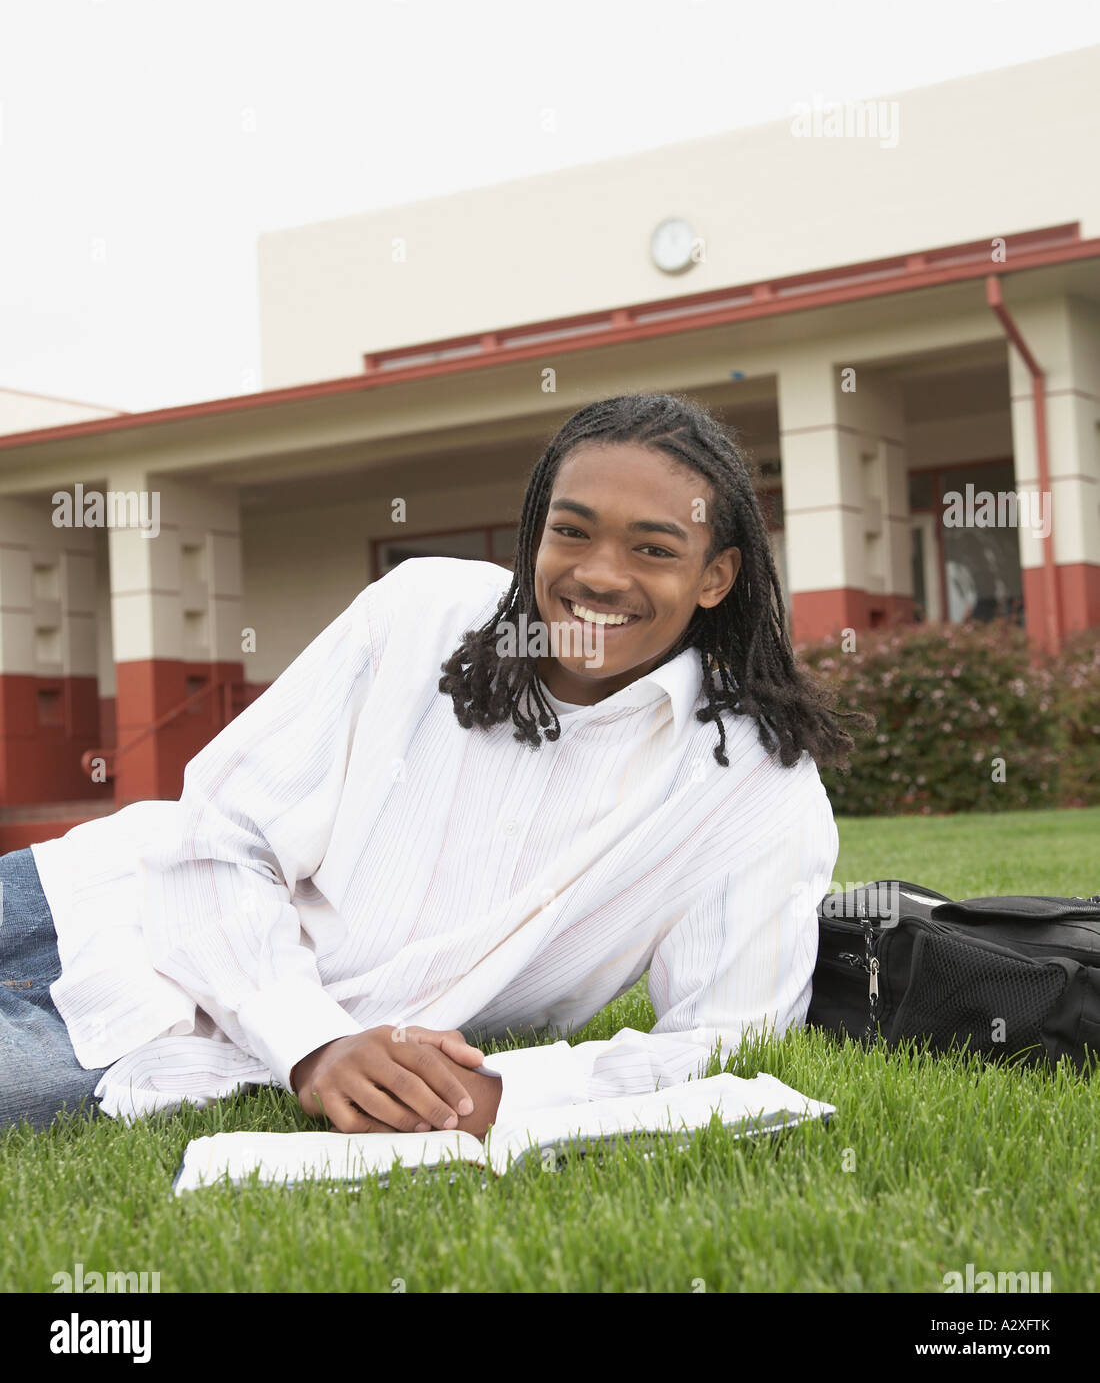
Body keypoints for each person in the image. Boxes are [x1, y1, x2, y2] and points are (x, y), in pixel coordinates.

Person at [0, 392, 865, 1137]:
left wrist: (491, 1092)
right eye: (572, 532)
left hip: (172, 1035)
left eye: (654, 548)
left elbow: (724, 1045)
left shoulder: (756, 786)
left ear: (715, 576)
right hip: (80, 898)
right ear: (536, 534)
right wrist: (313, 1042)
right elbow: (220, 834)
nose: (601, 575)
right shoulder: (423, 612)